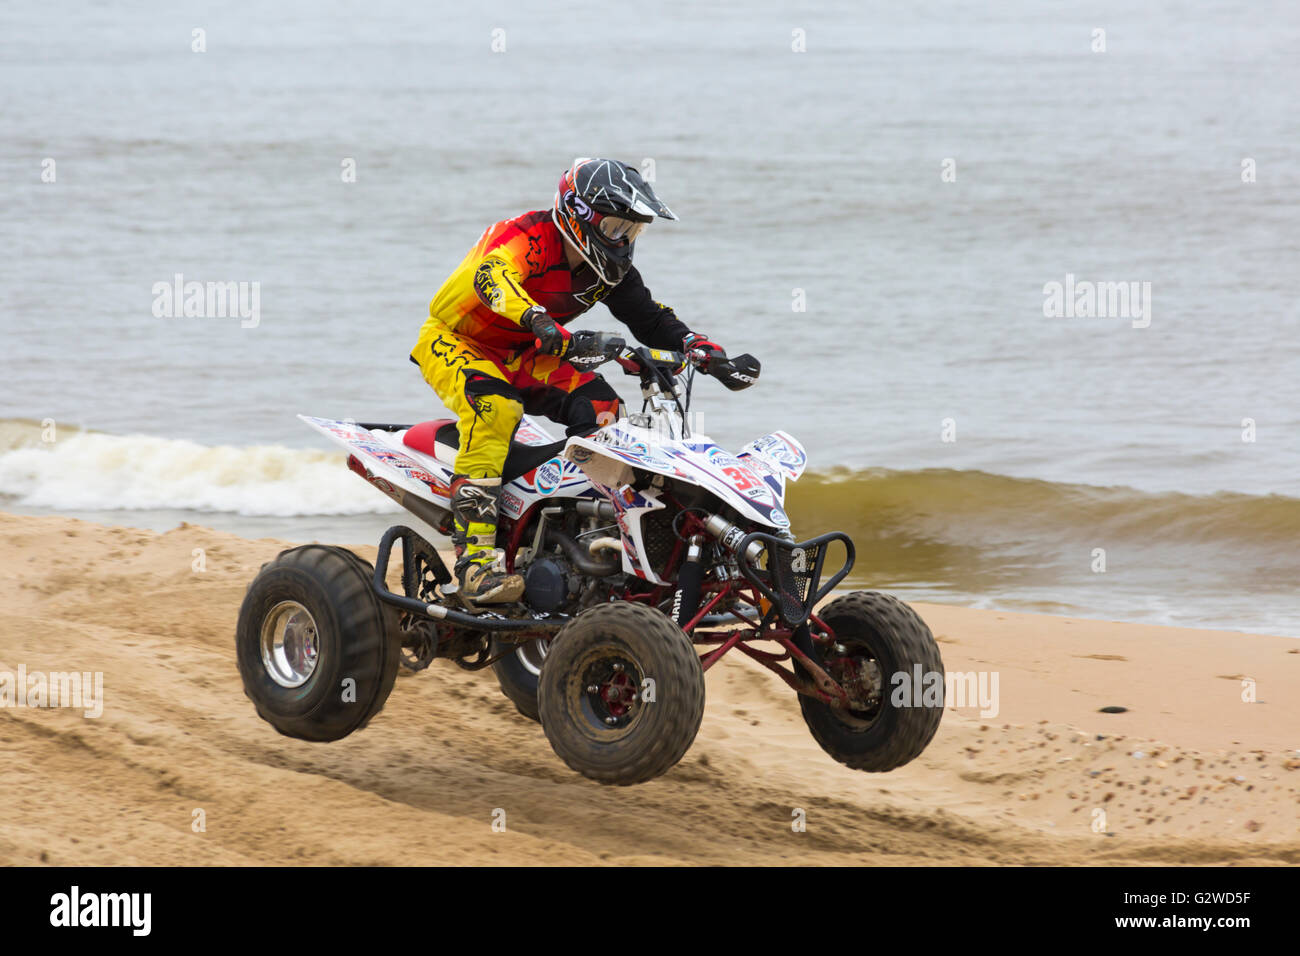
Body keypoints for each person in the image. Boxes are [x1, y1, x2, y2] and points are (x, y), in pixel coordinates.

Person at [410, 158, 728, 604]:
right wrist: (537, 319)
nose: (625, 240)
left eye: (633, 231)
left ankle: (583, 541)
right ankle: (474, 563)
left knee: (604, 411)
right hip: (458, 340)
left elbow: (649, 318)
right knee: (497, 409)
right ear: (581, 215)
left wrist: (702, 348)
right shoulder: (528, 237)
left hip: (526, 352)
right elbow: (491, 276)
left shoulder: (606, 274)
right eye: (617, 227)